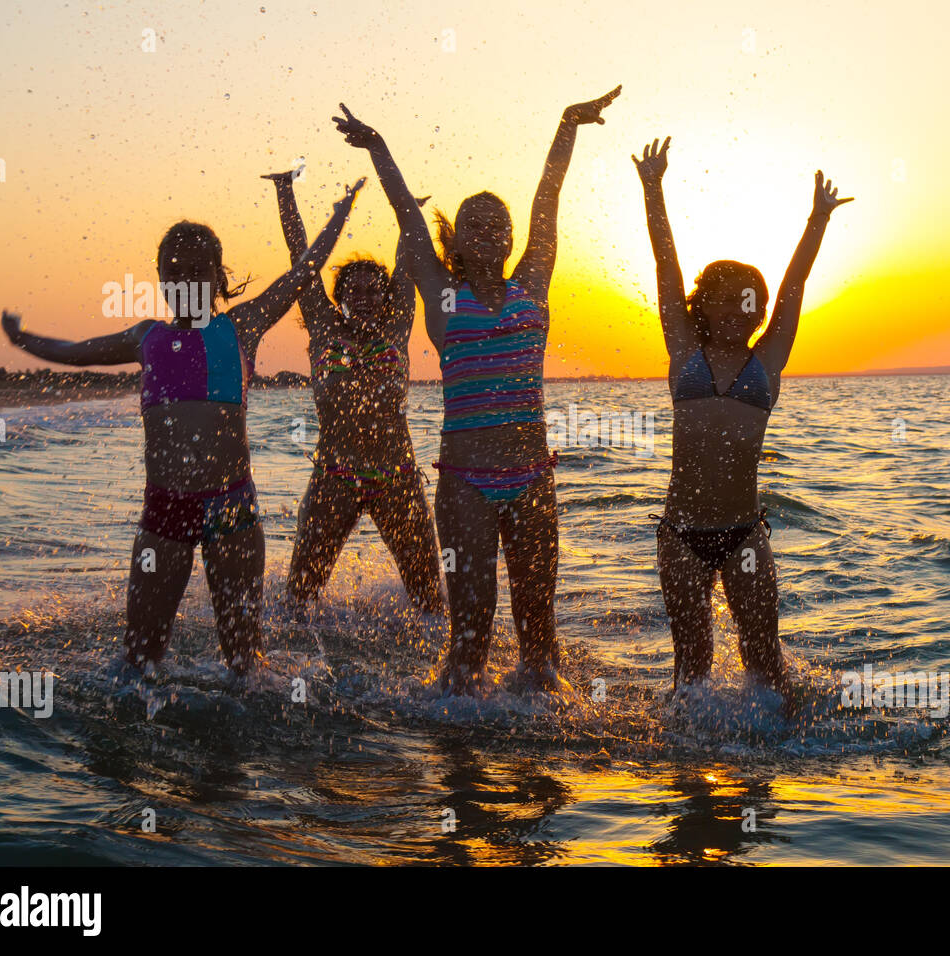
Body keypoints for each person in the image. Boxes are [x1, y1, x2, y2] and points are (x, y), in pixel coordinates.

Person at [0, 179, 366, 676]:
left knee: (244, 666)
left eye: (199, 270)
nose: (187, 280)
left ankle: (233, 748)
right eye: (175, 271)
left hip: (232, 508)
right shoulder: (144, 337)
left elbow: (304, 272)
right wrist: (25, 340)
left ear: (218, 276)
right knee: (138, 660)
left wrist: (342, 211)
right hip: (164, 512)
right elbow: (76, 351)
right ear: (160, 278)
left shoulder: (243, 326)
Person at [332, 88, 621, 694]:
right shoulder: (441, 298)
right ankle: (461, 749)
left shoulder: (533, 284)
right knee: (470, 632)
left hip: (532, 476)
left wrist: (567, 124)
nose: (489, 232)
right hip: (465, 482)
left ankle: (540, 742)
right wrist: (378, 146)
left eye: (499, 226)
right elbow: (407, 219)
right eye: (475, 225)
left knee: (540, 638)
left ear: (514, 240)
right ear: (457, 242)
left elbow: (549, 198)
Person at [632, 135, 852, 705]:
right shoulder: (683, 352)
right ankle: (690, 778)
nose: (740, 312)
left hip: (745, 534)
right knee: (692, 668)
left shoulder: (767, 362)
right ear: (701, 305)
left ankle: (774, 767)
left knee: (764, 661)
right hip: (680, 535)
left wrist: (817, 218)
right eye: (727, 301)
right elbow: (665, 265)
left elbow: (794, 286)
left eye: (750, 302)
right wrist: (653, 188)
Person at [261, 167, 442, 614]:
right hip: (333, 477)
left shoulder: (398, 326)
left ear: (387, 298)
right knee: (299, 601)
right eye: (353, 291)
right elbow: (300, 257)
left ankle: (446, 682)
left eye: (373, 290)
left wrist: (408, 217)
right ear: (338, 297)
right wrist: (286, 192)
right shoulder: (323, 328)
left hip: (397, 475)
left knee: (431, 602)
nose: (363, 297)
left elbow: (406, 262)